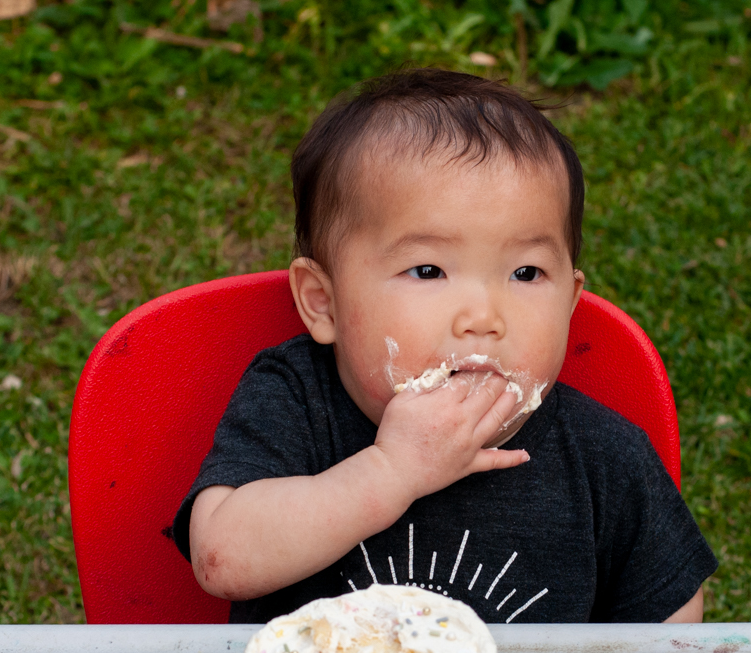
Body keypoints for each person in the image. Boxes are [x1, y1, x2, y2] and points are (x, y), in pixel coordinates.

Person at [173, 69, 717, 624]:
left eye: (526, 272)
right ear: (323, 303)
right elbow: (223, 559)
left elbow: (670, 626)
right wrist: (390, 471)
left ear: (571, 302)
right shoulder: (295, 402)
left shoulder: (603, 457)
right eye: (428, 270)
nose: (483, 316)